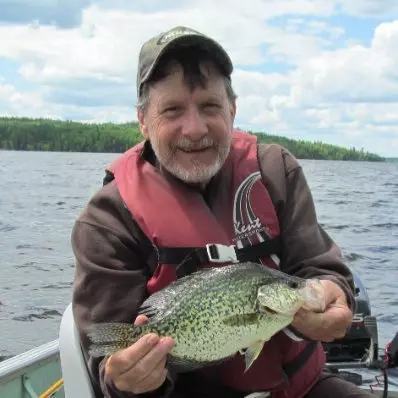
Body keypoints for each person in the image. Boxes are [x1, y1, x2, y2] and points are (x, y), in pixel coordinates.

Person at [71, 26, 370, 398]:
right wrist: (125, 378)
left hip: (299, 387)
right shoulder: (107, 220)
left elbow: (321, 268)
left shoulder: (276, 172)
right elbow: (107, 364)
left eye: (210, 106)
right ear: (143, 121)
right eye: (173, 110)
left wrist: (333, 293)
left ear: (232, 110)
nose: (194, 129)